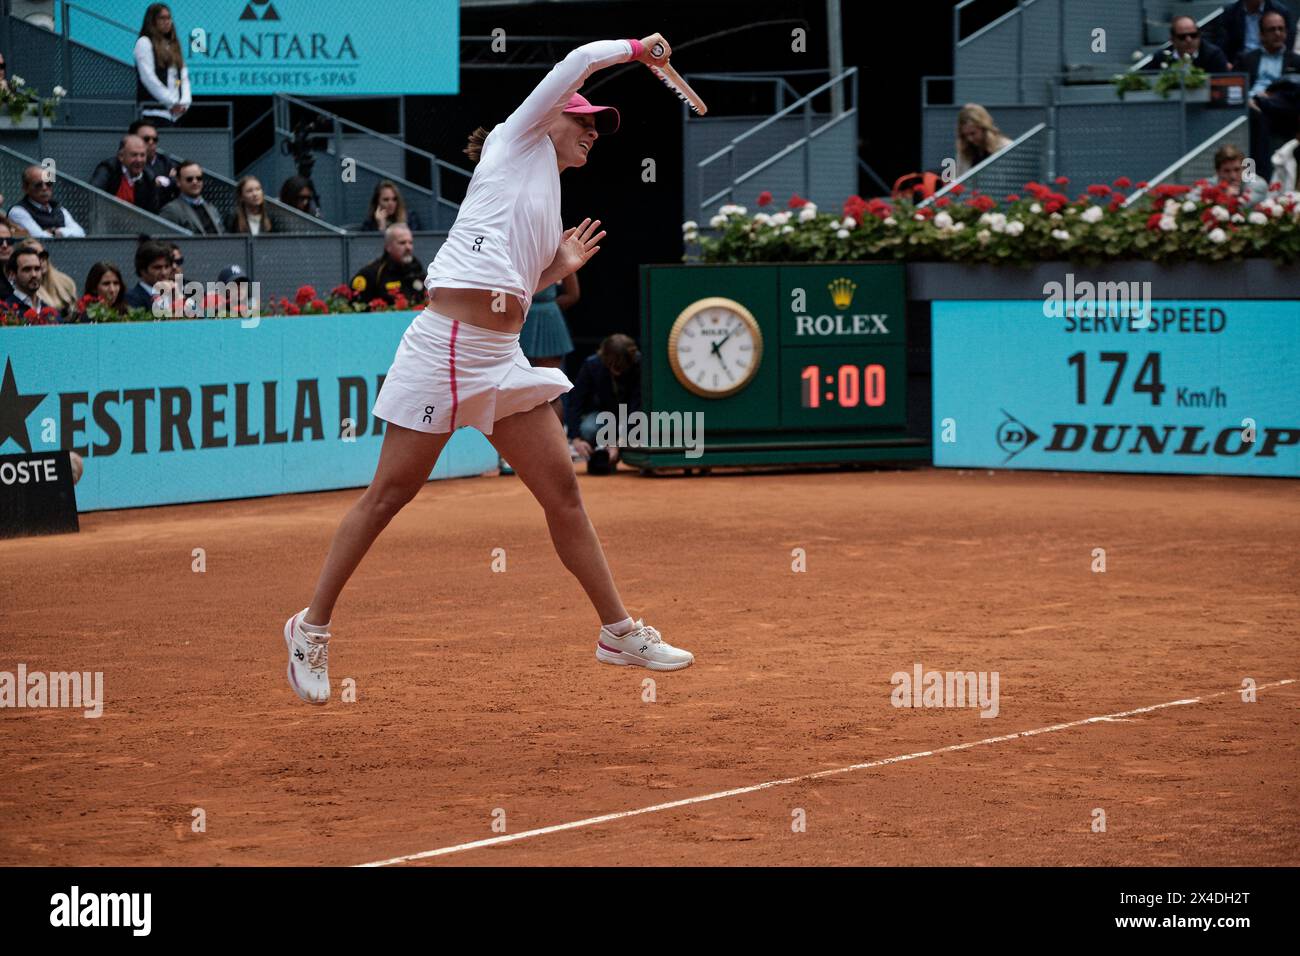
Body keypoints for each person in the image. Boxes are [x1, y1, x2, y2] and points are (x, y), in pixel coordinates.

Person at [282, 32, 694, 706]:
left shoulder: (542, 198)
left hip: (499, 358)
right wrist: (633, 49)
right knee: (390, 495)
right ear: (554, 113)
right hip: (445, 348)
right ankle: (311, 628)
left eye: (599, 128)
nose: (593, 133)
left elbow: (511, 287)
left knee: (563, 491)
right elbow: (574, 63)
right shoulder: (514, 140)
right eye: (584, 121)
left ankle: (617, 631)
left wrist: (553, 269)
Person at [566, 334, 642, 475]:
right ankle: (599, 455)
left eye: (621, 367)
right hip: (605, 415)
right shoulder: (591, 365)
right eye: (611, 365)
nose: (617, 371)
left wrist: (619, 442)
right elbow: (575, 402)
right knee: (588, 429)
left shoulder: (641, 365)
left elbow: (638, 407)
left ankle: (624, 452)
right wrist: (575, 439)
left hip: (636, 417)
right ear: (603, 358)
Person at [1244, 11, 1300, 176]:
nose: (1277, 33)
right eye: (1272, 29)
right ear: (1261, 35)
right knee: (1256, 116)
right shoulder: (1247, 59)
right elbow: (1238, 87)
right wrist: (1248, 100)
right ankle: (1255, 176)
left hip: (1285, 109)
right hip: (1253, 109)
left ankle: (1261, 175)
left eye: (1281, 29)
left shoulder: (1296, 61)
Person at [520, 274, 578, 423]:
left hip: (543, 319)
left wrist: (546, 308)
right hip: (521, 319)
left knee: (551, 391)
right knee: (520, 388)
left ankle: (556, 441)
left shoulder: (557, 250)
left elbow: (572, 294)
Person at [134, 3, 190, 126]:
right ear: (152, 21)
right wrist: (171, 102)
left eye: (169, 18)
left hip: (175, 115)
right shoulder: (144, 43)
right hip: (153, 114)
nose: (167, 22)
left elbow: (183, 78)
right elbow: (148, 78)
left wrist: (184, 103)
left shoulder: (172, 46)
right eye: (162, 18)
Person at [349, 224, 425, 305]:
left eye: (410, 243)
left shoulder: (416, 268)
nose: (408, 247)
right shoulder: (372, 273)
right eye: (402, 243)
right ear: (388, 247)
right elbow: (356, 307)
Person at [89, 134, 165, 214]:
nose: (139, 160)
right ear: (121, 156)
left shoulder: (148, 178)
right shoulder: (108, 169)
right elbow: (93, 195)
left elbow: (152, 212)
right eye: (134, 155)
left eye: (142, 155)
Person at [7, 165, 86, 238]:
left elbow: (80, 233)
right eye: (38, 185)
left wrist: (56, 232)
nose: (44, 188)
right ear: (25, 188)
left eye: (48, 184)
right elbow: (39, 237)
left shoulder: (59, 209)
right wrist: (64, 233)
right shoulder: (18, 211)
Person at [1213, 0, 1297, 67]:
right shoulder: (1230, 12)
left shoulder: (1280, 11)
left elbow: (1288, 41)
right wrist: (1225, 62)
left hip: (1271, 60)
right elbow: (1221, 42)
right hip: (1239, 63)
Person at [158, 161, 224, 234]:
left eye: (199, 178)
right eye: (189, 179)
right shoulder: (171, 210)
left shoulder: (212, 208)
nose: (195, 182)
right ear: (178, 182)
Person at [1147, 16, 1231, 72]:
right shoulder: (1161, 58)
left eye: (1193, 35)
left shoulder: (1213, 55)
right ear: (1172, 39)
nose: (1189, 40)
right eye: (1182, 37)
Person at [954, 104, 1012, 177]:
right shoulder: (964, 152)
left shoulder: (1006, 148)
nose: (970, 139)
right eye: (965, 135)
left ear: (984, 129)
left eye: (973, 133)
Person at [129, 120, 178, 205]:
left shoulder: (164, 161)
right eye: (146, 139)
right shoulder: (127, 162)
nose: (151, 143)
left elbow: (179, 180)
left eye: (155, 139)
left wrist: (164, 181)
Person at [30, 240, 78, 315]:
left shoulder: (65, 282)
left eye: (42, 255)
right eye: (34, 257)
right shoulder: (28, 291)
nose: (40, 260)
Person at [124, 239, 174, 310]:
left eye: (167, 266)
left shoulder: (176, 292)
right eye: (157, 268)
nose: (164, 272)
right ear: (143, 271)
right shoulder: (131, 298)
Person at [2, 242, 45, 316]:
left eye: (37, 269)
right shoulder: (4, 311)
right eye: (27, 269)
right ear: (12, 274)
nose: (34, 274)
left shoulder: (50, 311)